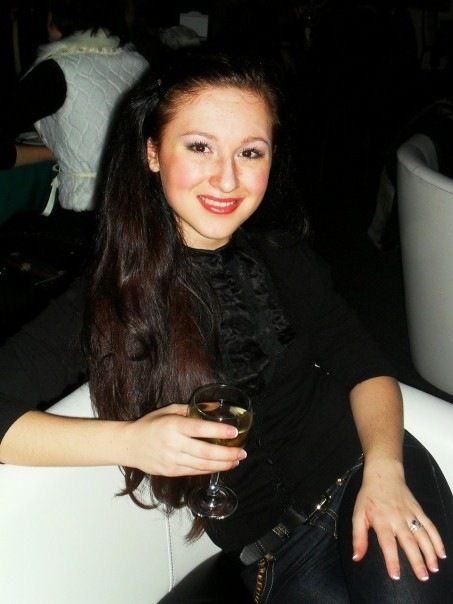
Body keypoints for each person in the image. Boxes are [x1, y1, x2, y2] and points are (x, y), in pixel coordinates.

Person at [0, 50, 452, 603]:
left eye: (250, 152)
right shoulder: (106, 299)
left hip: (367, 473)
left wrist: (385, 470)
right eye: (200, 147)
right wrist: (132, 442)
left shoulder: (281, 255)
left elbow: (364, 363)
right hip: (275, 555)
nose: (228, 178)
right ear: (152, 152)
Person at [0, 0, 149, 224]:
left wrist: (50, 153)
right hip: (141, 206)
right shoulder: (139, 62)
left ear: (56, 18)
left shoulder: (55, 71)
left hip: (85, 215)